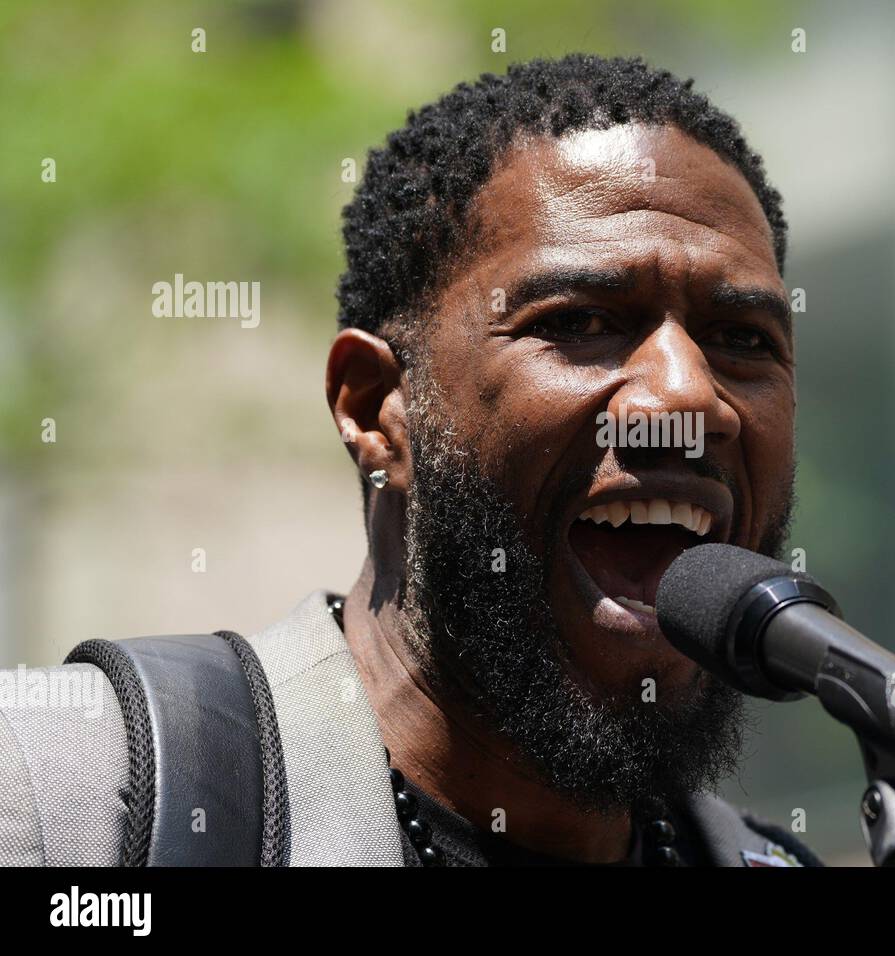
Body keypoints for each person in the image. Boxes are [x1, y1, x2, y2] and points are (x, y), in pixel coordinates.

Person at [0, 53, 819, 868]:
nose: (686, 399)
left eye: (743, 340)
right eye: (583, 322)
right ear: (374, 409)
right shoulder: (59, 798)